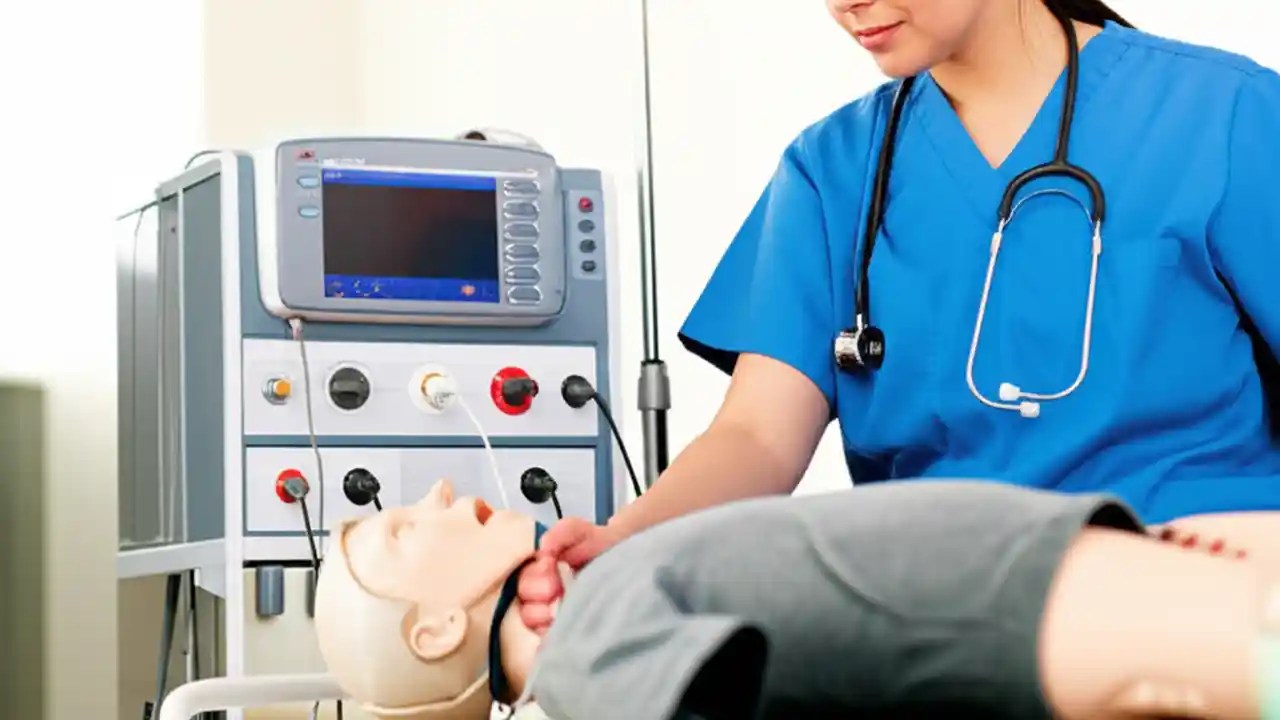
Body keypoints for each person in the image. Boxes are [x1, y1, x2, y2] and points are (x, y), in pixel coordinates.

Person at [520, 0, 1280, 624]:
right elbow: (755, 434)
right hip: (949, 630)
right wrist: (623, 541)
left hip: (1202, 602)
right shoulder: (834, 168)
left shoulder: (1225, 116)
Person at [313, 479, 1280, 719]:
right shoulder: (582, 657)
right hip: (1015, 600)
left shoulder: (604, 600)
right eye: (402, 530)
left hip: (1059, 558)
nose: (435, 498)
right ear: (436, 628)